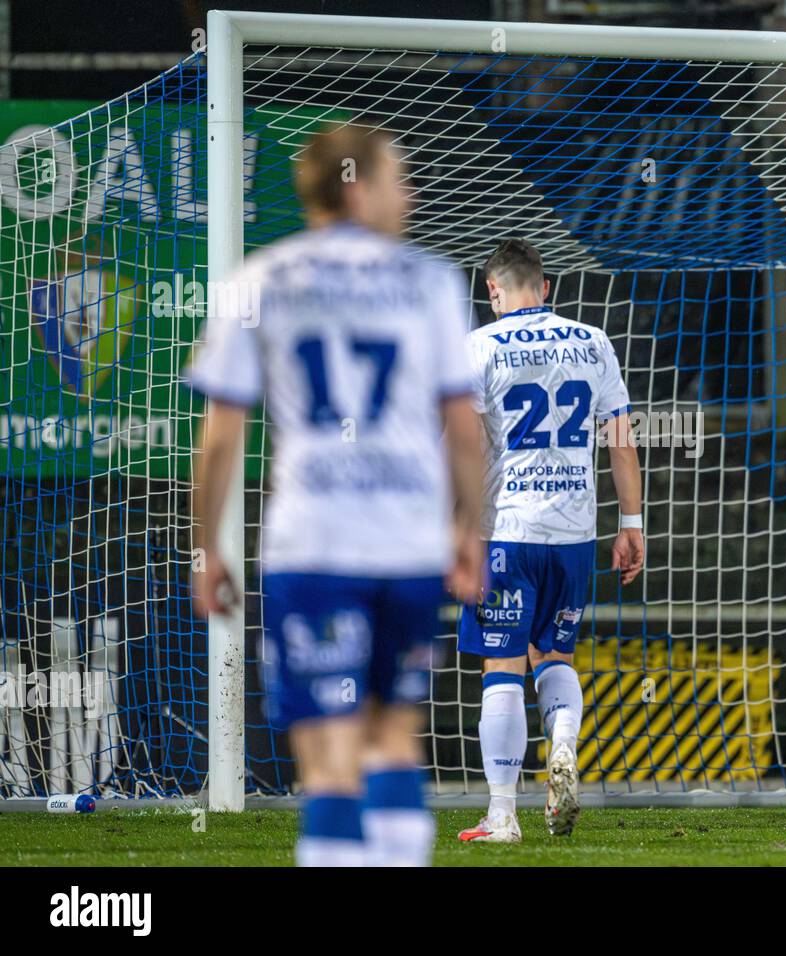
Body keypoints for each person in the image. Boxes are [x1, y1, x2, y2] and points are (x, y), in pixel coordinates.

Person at [189, 122, 484, 865]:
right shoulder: (430, 281)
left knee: (327, 757)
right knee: (392, 740)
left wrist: (205, 548)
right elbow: (463, 427)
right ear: (356, 186)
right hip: (407, 543)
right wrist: (467, 528)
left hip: (312, 544)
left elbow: (222, 435)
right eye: (399, 177)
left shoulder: (261, 278)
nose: (409, 194)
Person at [456, 238, 643, 843]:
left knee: (502, 665)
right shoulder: (593, 341)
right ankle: (563, 743)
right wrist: (632, 524)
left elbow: (458, 444)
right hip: (575, 535)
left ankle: (503, 815)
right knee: (554, 657)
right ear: (546, 287)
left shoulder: (479, 346)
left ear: (492, 291)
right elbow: (620, 442)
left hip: (506, 530)